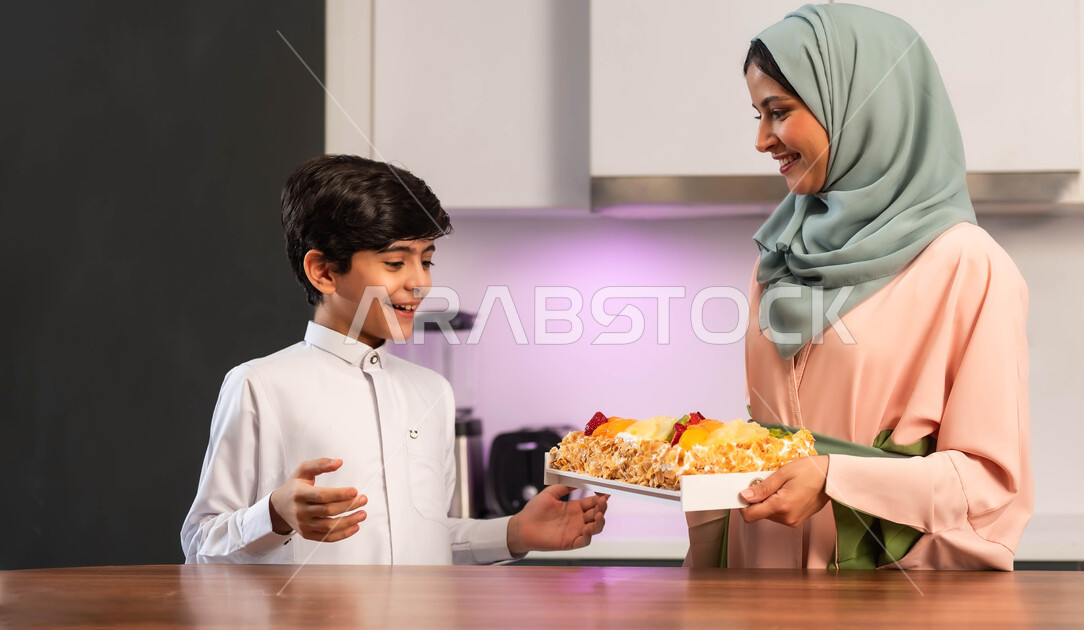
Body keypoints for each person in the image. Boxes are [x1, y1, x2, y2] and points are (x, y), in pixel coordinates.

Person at [685, 4, 1031, 570]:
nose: (763, 140)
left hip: (883, 599)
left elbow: (988, 481)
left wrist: (836, 478)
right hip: (758, 591)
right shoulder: (777, 256)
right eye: (757, 116)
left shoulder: (968, 264)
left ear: (858, 106)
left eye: (779, 111)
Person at [181, 154, 607, 564]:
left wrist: (512, 532)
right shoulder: (260, 385)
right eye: (395, 262)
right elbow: (200, 544)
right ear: (324, 272)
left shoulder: (432, 392)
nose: (420, 282)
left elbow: (425, 541)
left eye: (426, 261)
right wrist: (273, 514)